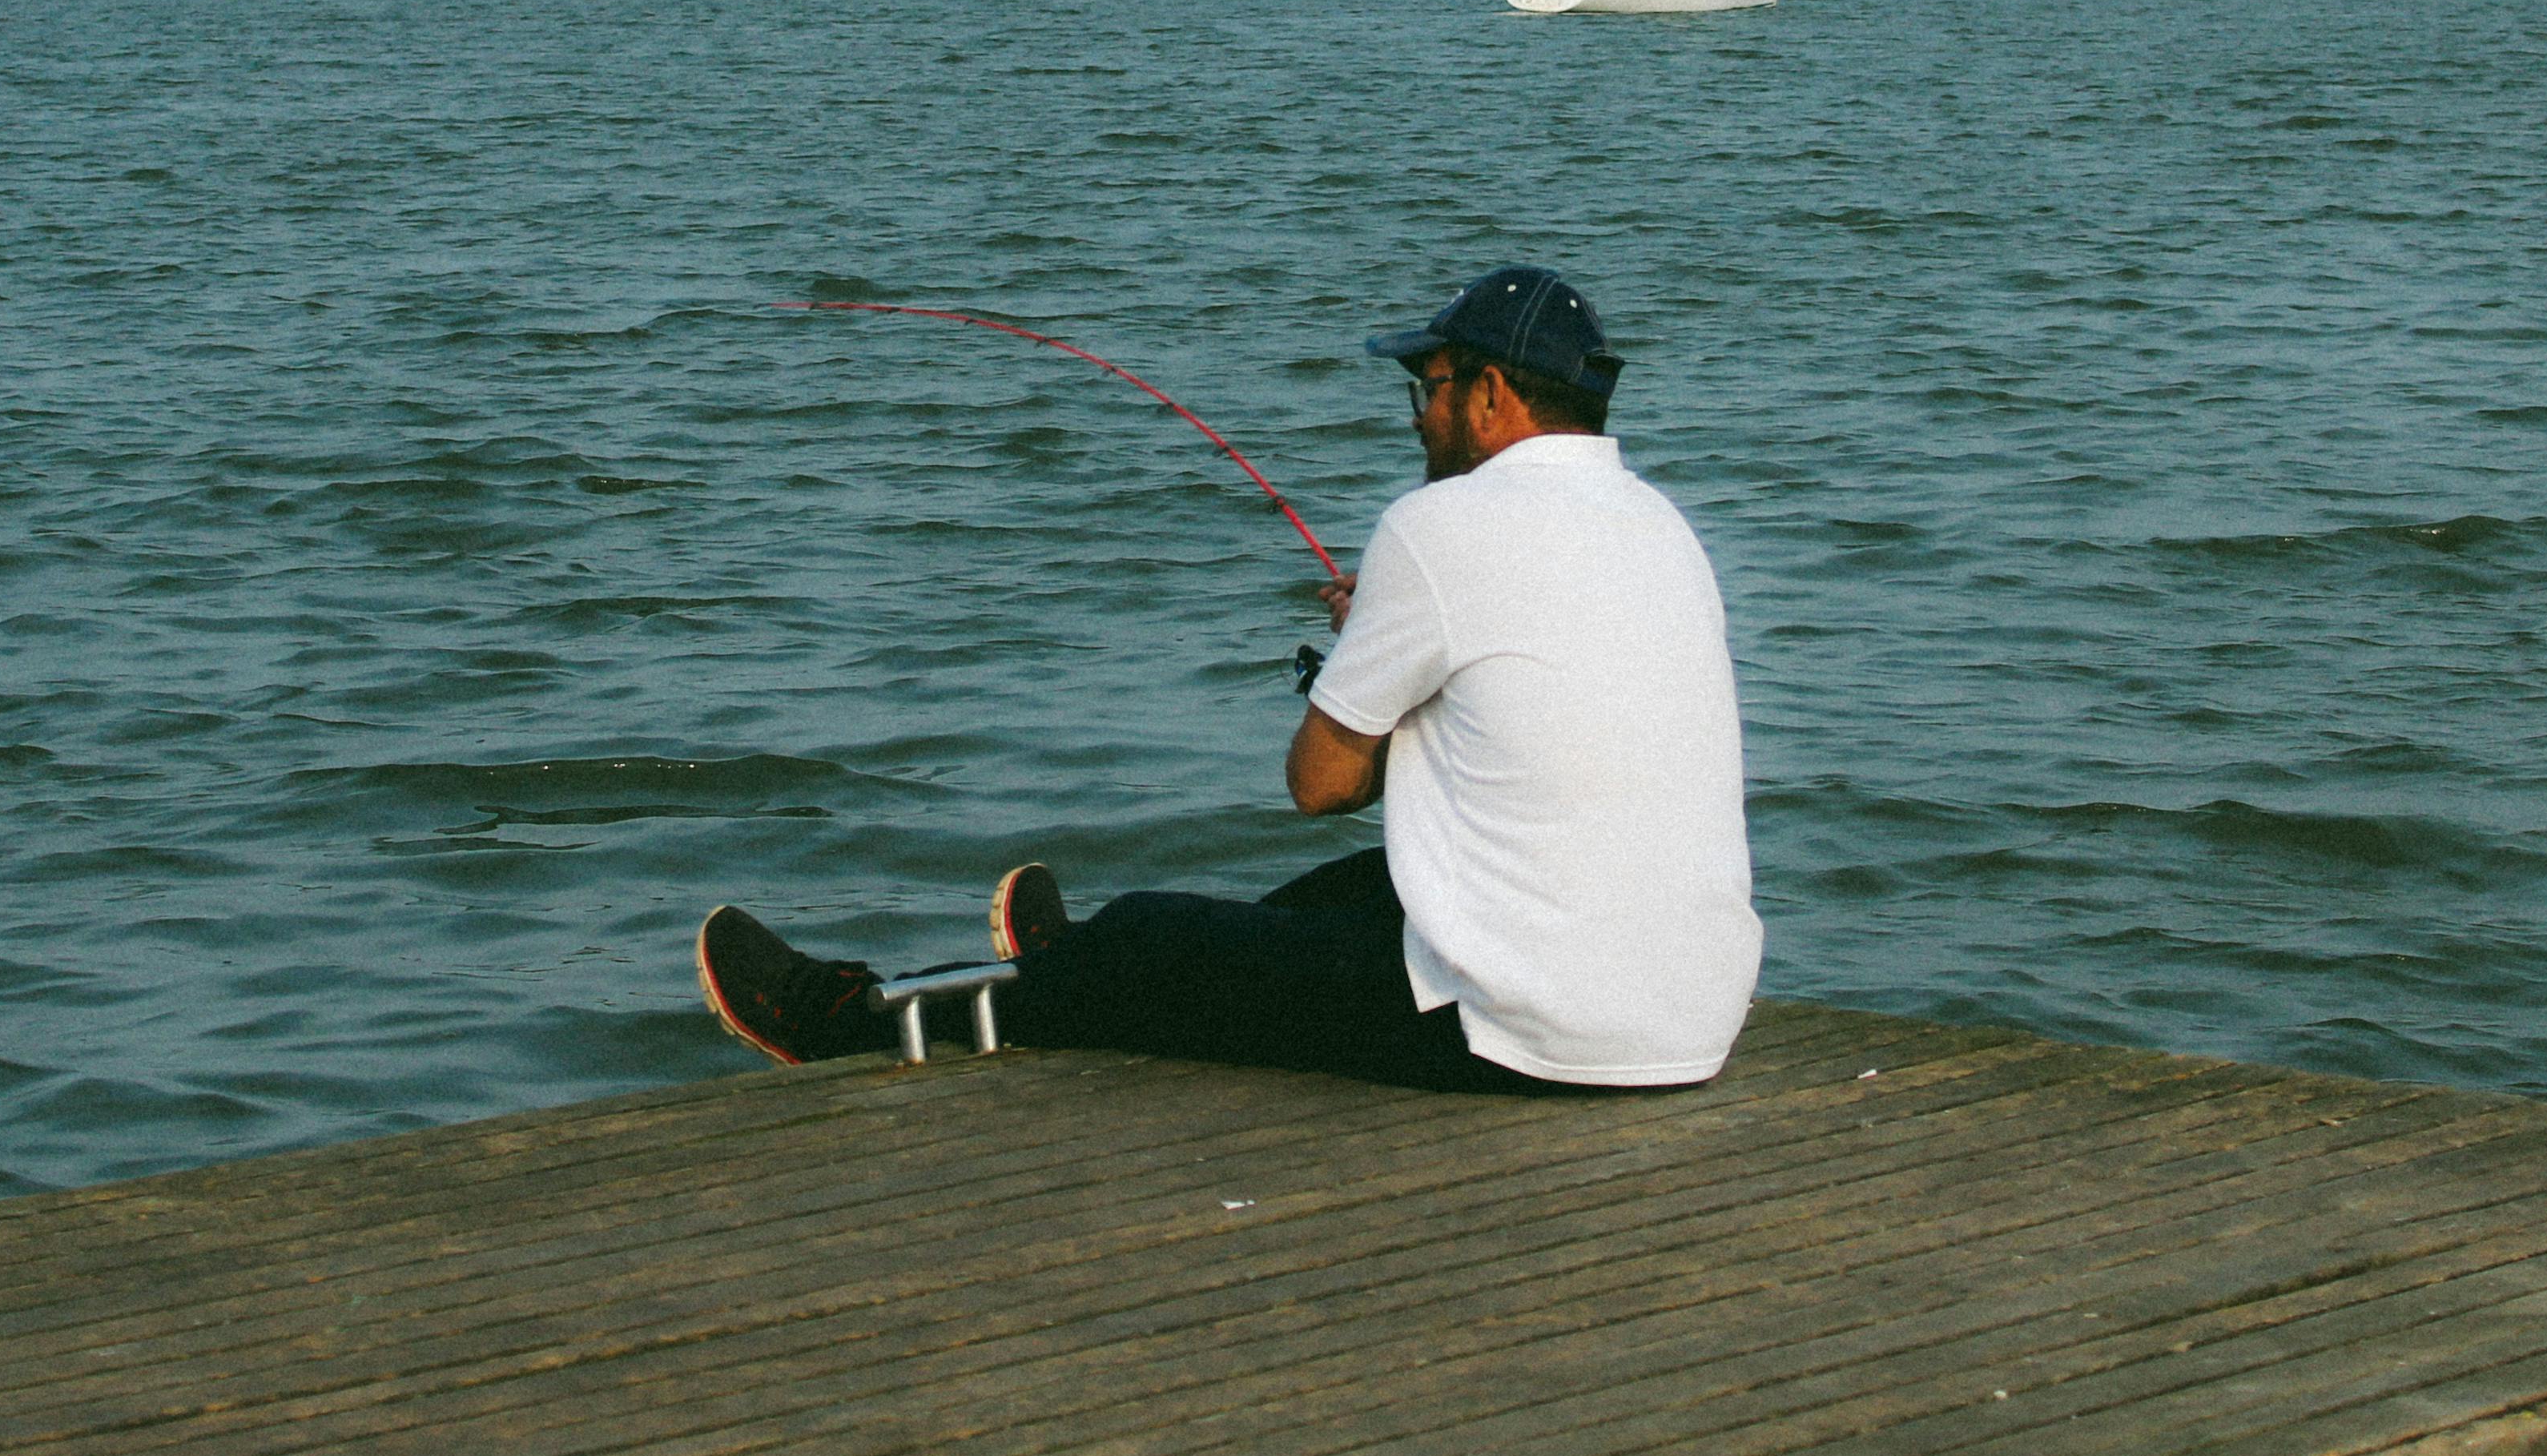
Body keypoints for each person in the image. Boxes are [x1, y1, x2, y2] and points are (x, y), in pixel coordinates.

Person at [694, 264, 1760, 1093]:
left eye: (1427, 388)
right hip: (1685, 1020)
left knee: (1152, 929)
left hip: (1529, 1049)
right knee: (1360, 891)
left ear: (1490, 394)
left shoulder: (1440, 525)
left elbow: (1322, 787)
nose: (1417, 415)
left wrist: (1361, 654)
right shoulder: (1661, 528)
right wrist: (1387, 648)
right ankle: (1086, 968)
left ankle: (849, 1018)